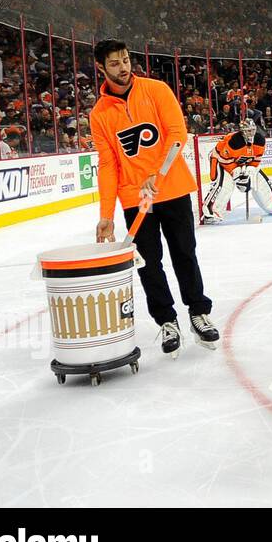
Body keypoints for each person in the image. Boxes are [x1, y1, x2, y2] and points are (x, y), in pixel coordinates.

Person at [89, 39, 217, 356]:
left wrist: (157, 175)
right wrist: (106, 215)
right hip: (135, 200)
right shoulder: (100, 114)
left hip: (171, 188)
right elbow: (108, 165)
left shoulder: (156, 90)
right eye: (115, 63)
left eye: (126, 60)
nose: (123, 67)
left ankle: (198, 312)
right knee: (148, 264)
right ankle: (166, 321)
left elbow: (176, 134)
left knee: (185, 253)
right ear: (101, 68)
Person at [200, 116, 272, 223]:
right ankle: (211, 212)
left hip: (240, 161)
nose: (251, 133)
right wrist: (235, 173)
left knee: (256, 179)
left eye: (253, 130)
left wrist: (250, 169)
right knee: (227, 184)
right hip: (221, 160)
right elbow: (224, 159)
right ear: (242, 131)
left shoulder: (260, 140)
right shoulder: (235, 141)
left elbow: (256, 159)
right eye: (248, 131)